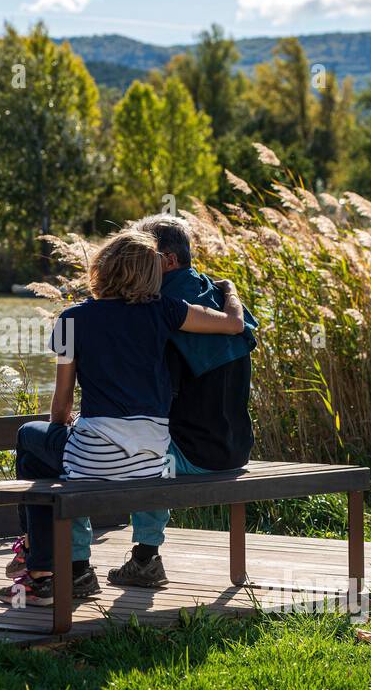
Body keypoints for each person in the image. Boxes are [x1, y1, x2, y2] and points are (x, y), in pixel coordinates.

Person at [0, 229, 246, 607]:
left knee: (35, 442)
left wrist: (75, 425)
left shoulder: (71, 320)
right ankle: (62, 561)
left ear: (102, 268)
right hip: (153, 459)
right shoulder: (165, 310)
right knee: (73, 460)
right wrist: (229, 291)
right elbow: (233, 324)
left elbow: (61, 409)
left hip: (95, 459)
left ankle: (55, 568)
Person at [103, 214, 259, 588]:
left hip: (193, 456)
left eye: (144, 255)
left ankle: (135, 559)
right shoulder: (216, 295)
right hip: (236, 450)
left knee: (134, 450)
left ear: (168, 260)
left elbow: (152, 405)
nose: (135, 264)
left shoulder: (162, 309)